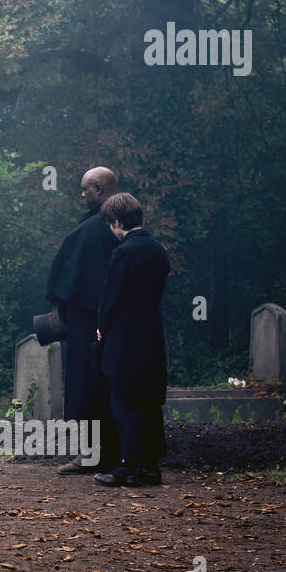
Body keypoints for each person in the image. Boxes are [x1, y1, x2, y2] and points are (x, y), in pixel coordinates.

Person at [46, 166, 121, 474]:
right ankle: (105, 453)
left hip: (88, 323)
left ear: (100, 190)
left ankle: (92, 455)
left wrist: (62, 304)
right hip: (107, 321)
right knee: (102, 386)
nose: (82, 194)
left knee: (88, 386)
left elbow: (68, 278)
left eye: (86, 189)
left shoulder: (94, 229)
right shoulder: (113, 224)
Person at [94, 193, 170, 488]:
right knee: (148, 401)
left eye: (109, 224)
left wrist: (101, 328)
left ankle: (129, 465)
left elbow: (110, 298)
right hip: (151, 332)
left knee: (124, 400)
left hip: (125, 335)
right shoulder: (157, 250)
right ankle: (150, 467)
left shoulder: (124, 252)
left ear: (116, 221)